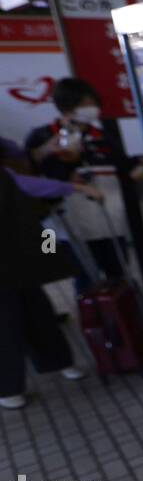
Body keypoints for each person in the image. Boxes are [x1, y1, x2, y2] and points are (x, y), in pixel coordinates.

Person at [24, 77, 143, 286]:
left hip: (111, 220)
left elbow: (125, 167)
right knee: (85, 280)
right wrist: (56, 158)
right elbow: (30, 174)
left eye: (93, 104)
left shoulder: (103, 136)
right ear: (67, 107)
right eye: (85, 104)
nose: (92, 109)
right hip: (70, 225)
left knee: (120, 277)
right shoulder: (43, 136)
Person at [0, 166, 86, 410]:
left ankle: (57, 363)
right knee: (6, 326)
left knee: (38, 313)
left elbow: (29, 185)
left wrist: (73, 187)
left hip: (16, 260)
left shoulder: (5, 176)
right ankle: (9, 387)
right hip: (12, 263)